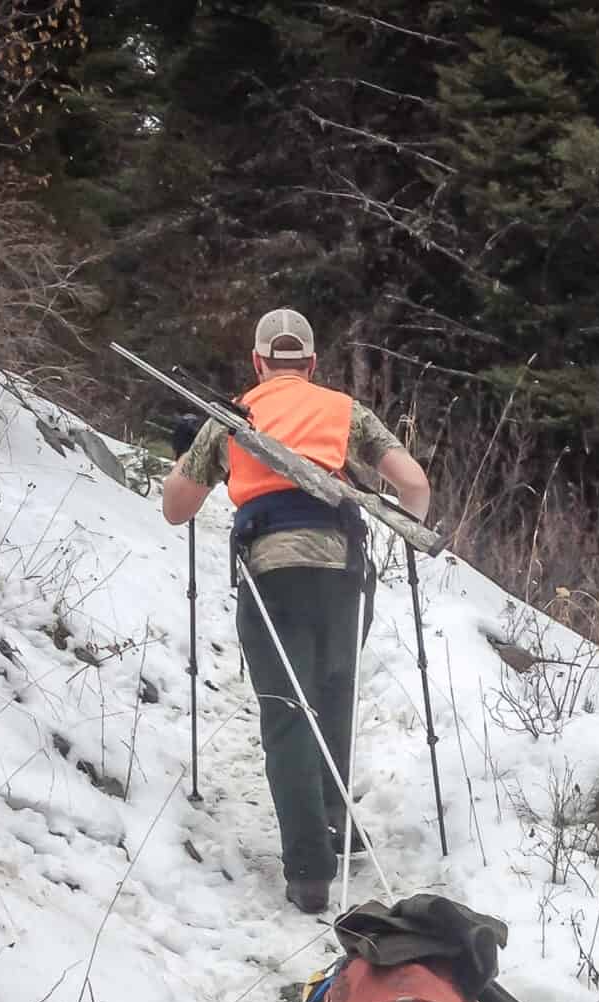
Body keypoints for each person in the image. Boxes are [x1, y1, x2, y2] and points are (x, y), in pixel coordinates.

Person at [161, 308, 431, 914]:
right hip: (343, 571)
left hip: (271, 579)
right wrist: (407, 529)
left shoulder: (233, 417)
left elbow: (176, 508)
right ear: (311, 364)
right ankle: (335, 821)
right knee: (334, 694)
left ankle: (310, 869)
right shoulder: (346, 412)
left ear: (258, 362)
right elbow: (412, 485)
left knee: (288, 711)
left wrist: (191, 453)